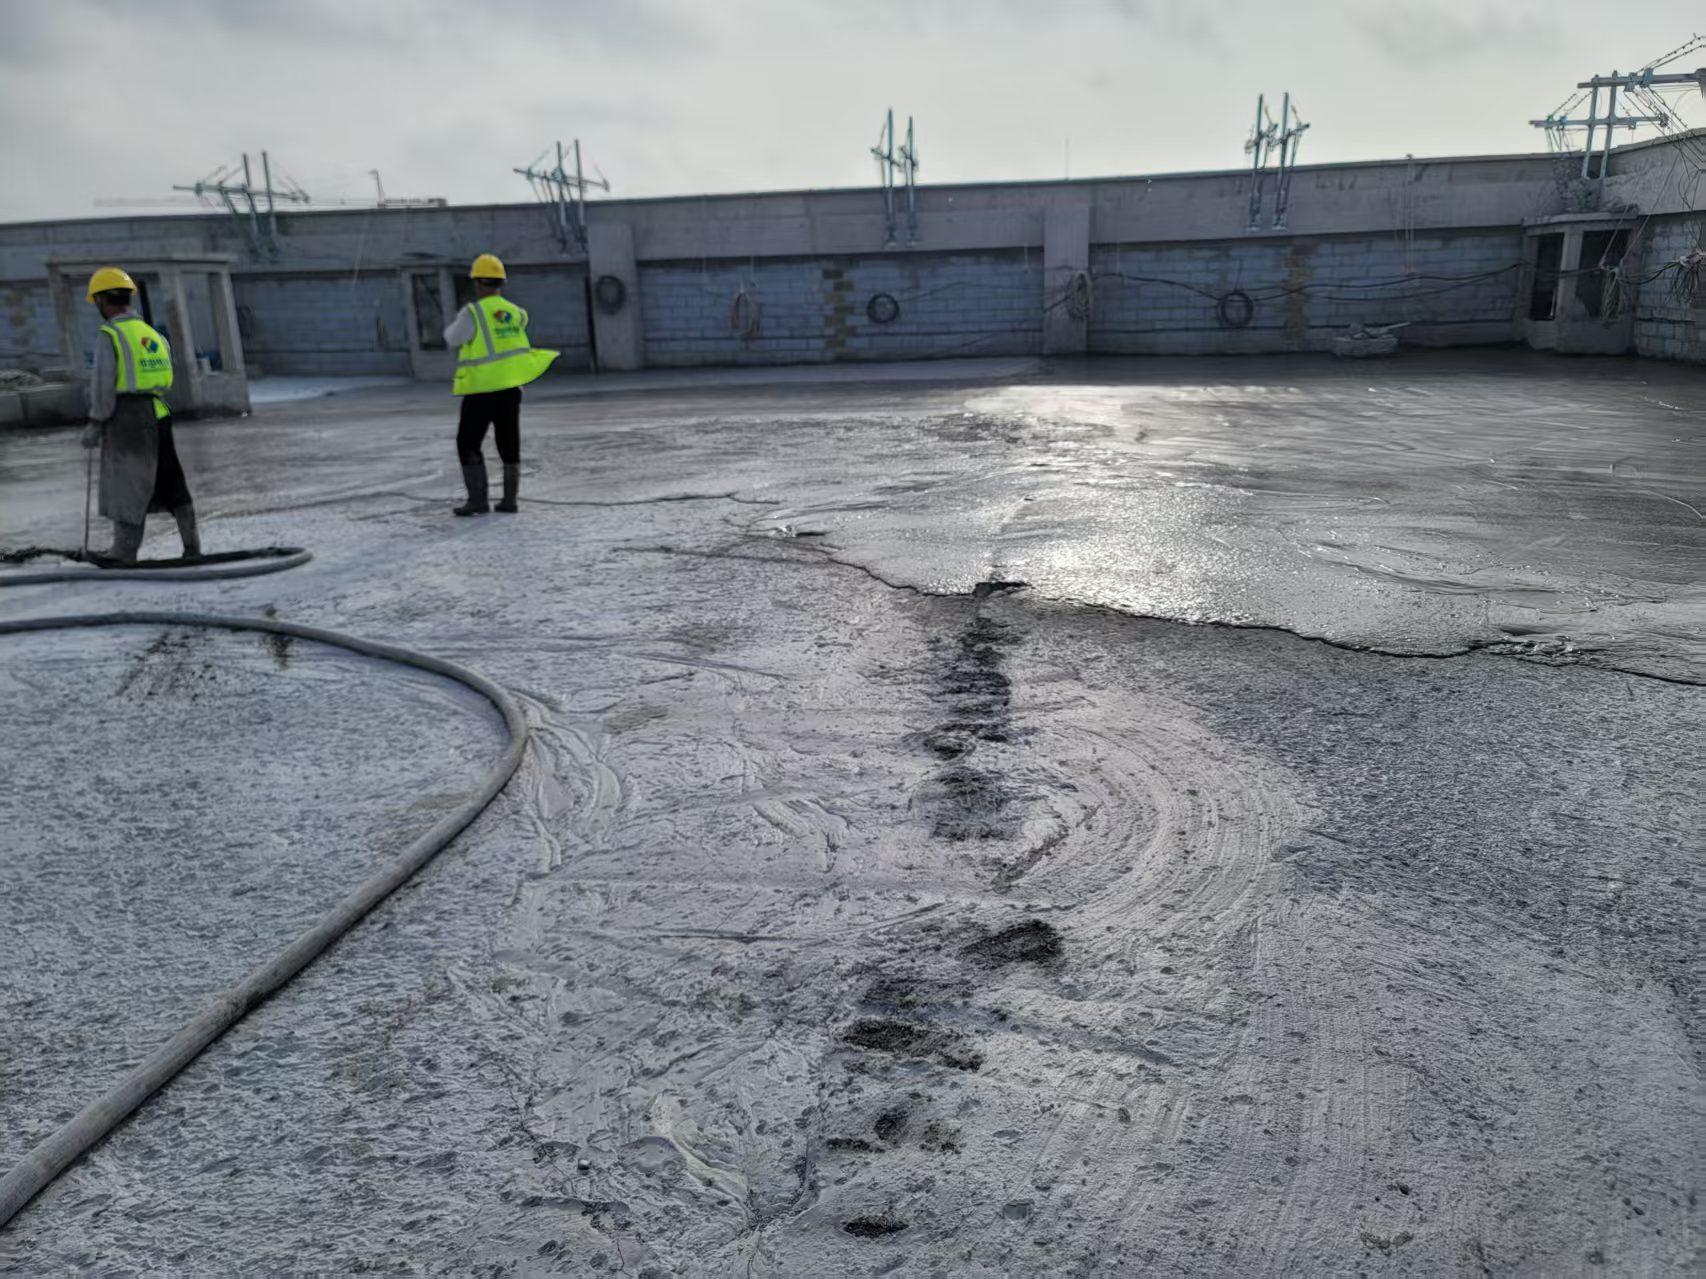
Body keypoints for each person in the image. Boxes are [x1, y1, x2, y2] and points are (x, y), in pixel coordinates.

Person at [80, 267, 200, 564]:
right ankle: (192, 546)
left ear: (102, 300)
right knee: (171, 479)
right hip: (159, 412)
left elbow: (103, 384)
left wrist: (96, 422)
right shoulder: (152, 333)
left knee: (127, 484)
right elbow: (167, 376)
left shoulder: (110, 335)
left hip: (128, 418)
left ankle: (124, 552)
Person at [441, 254, 558, 516]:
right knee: (509, 442)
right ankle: (509, 500)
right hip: (511, 390)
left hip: (482, 390)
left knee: (467, 442)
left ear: (477, 283)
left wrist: (459, 319)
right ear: (501, 283)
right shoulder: (516, 313)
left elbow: (452, 338)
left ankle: (478, 500)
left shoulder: (473, 313)